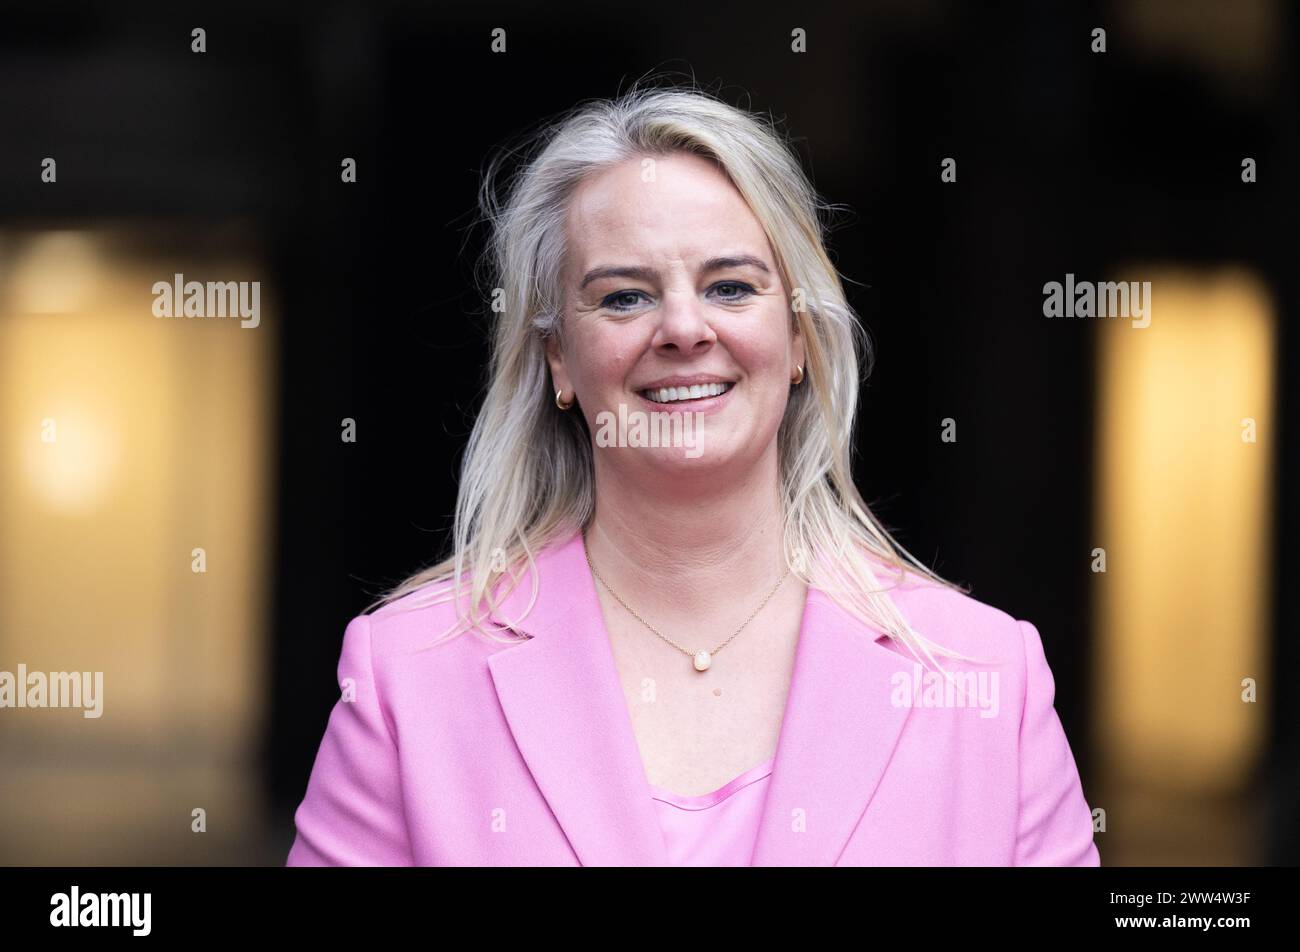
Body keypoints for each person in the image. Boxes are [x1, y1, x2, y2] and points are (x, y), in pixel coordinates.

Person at [285, 82, 1100, 866]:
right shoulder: (407, 678)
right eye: (624, 298)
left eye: (731, 287)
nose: (682, 327)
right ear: (558, 358)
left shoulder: (986, 677)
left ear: (801, 340)